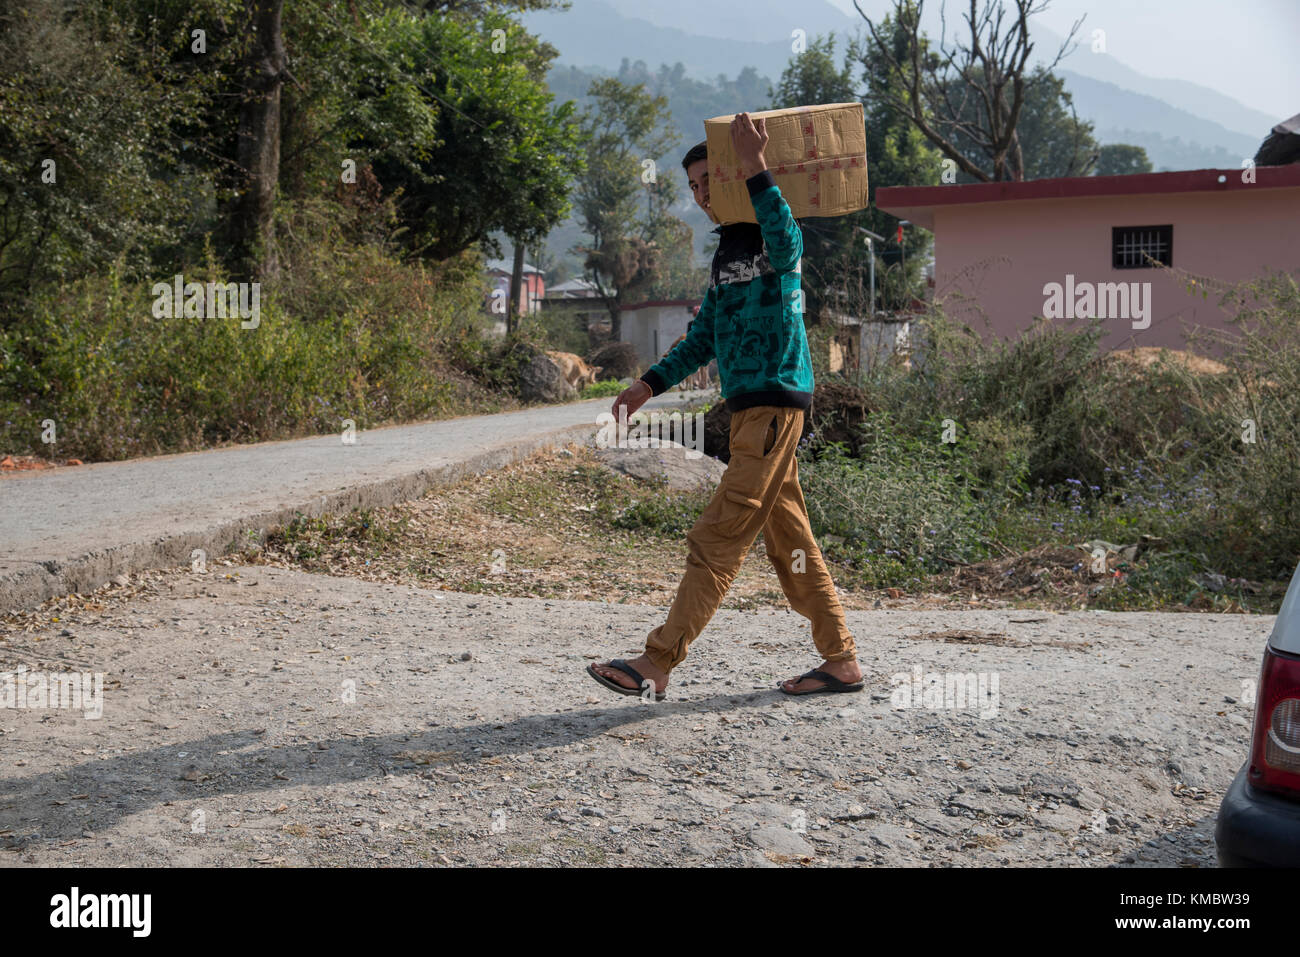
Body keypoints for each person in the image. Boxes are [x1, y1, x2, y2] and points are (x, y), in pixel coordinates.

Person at [587, 113, 862, 701]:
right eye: (694, 186)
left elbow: (789, 240)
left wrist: (758, 168)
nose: (702, 193)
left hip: (771, 406)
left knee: (717, 537)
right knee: (791, 544)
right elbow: (705, 335)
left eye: (712, 179)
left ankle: (657, 661)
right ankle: (841, 662)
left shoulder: (770, 237)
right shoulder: (725, 256)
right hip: (751, 414)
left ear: (737, 177)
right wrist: (647, 386)